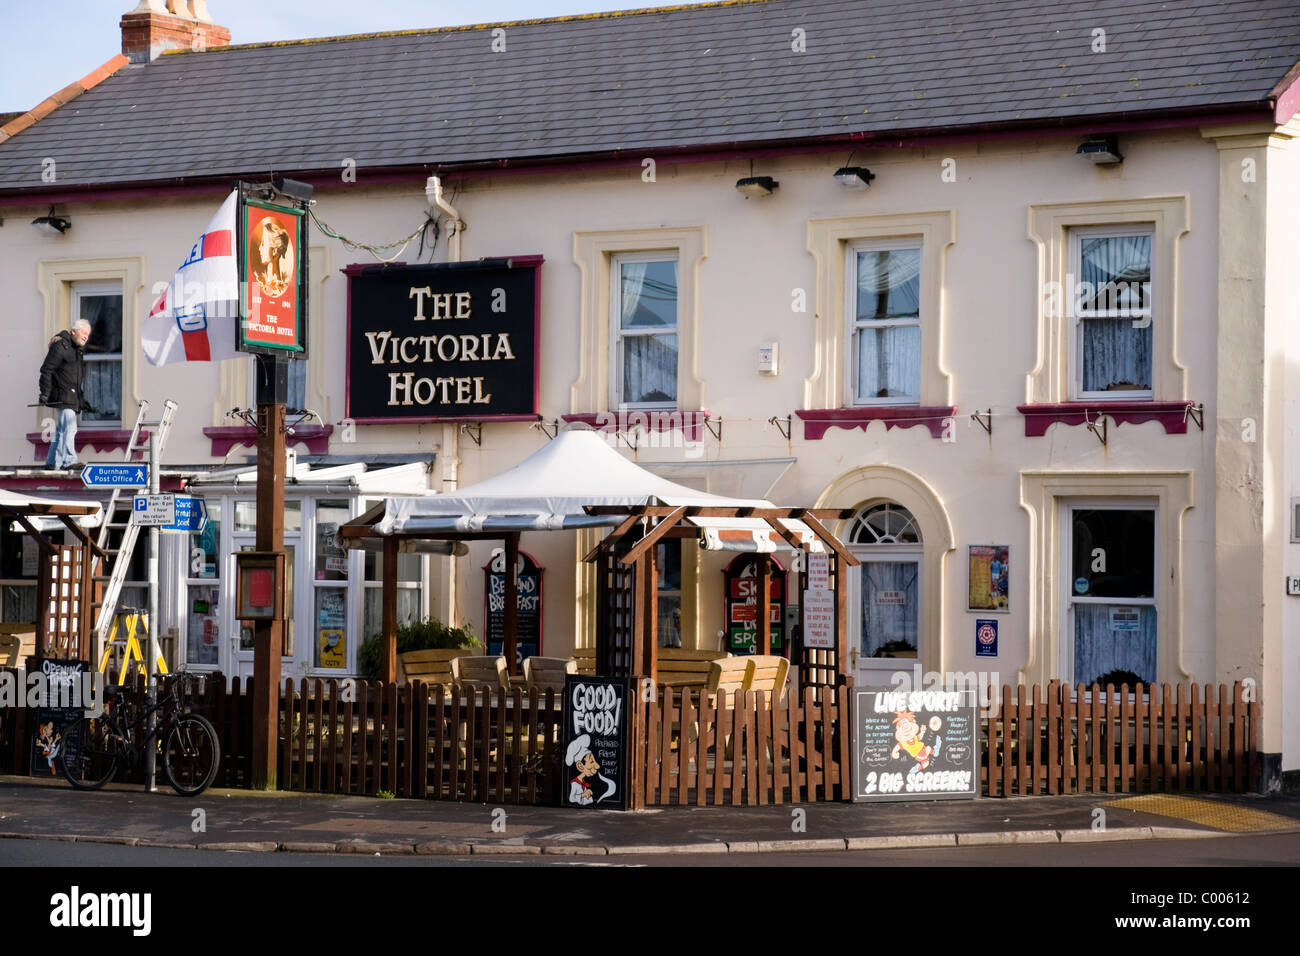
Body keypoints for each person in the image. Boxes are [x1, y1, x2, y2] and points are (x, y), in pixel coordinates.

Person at [38, 318, 91, 470]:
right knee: (70, 427)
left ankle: (52, 461)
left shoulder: (76, 349)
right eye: (84, 332)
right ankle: (69, 461)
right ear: (73, 331)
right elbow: (46, 370)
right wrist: (45, 393)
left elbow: (74, 377)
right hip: (62, 395)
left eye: (88, 334)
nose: (86, 336)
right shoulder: (61, 346)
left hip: (71, 396)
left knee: (62, 429)